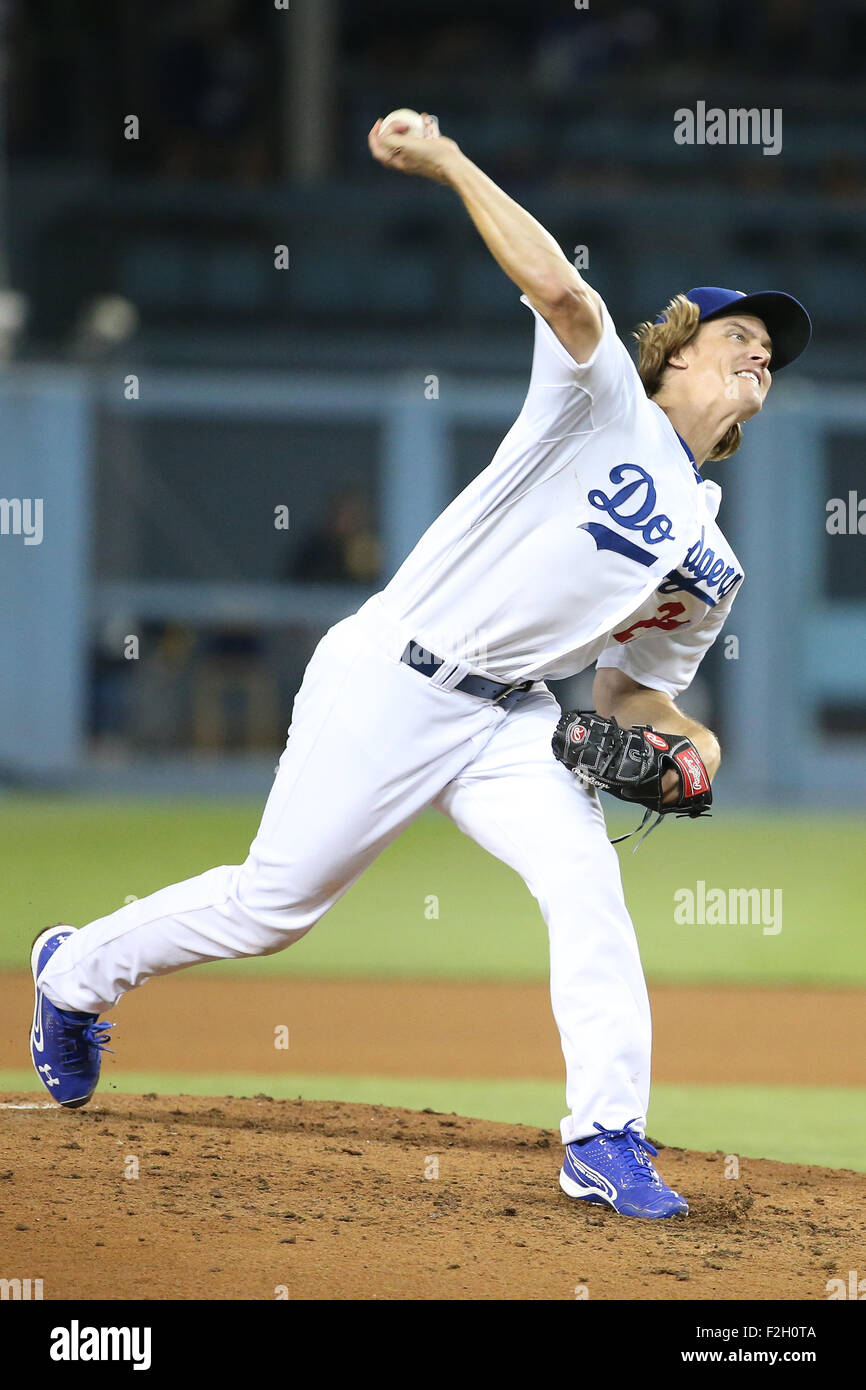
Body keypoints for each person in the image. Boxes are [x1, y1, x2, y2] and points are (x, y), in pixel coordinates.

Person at [29, 114, 810, 1220]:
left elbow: (633, 695)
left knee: (586, 884)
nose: (757, 351)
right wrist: (447, 161)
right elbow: (567, 296)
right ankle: (72, 973)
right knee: (275, 907)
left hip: (508, 723)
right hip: (391, 678)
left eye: (770, 350)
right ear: (674, 349)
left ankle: (603, 1136)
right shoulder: (600, 402)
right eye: (738, 331)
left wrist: (695, 756)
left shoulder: (711, 560)